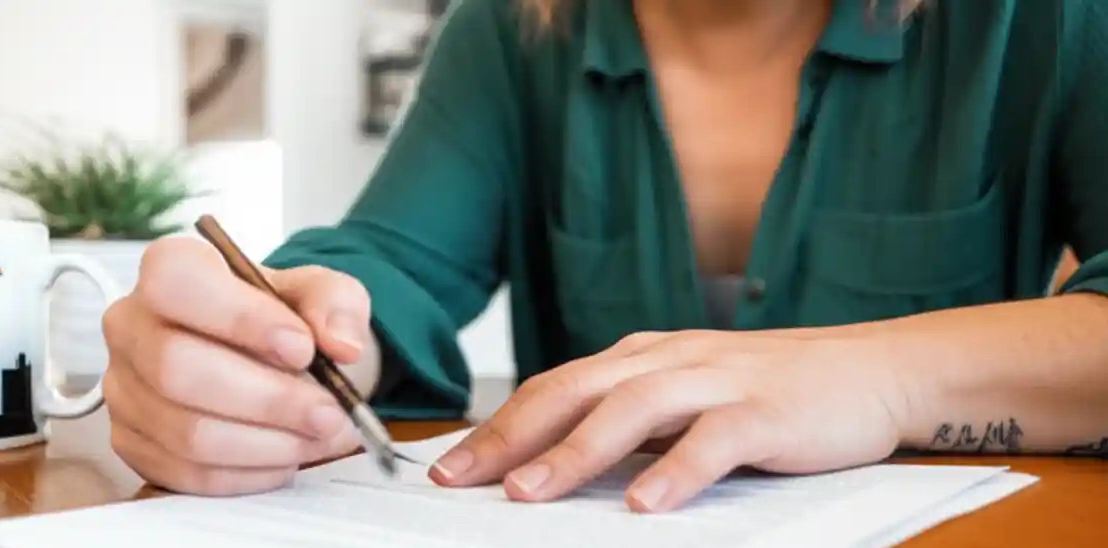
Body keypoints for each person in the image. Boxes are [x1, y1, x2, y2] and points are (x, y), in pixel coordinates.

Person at [101, 0, 1108, 513]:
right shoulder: (510, 31)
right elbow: (386, 263)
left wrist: (879, 378)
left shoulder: (1046, 21)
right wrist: (293, 349)